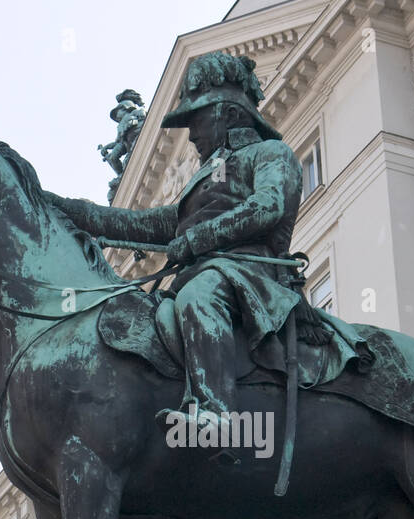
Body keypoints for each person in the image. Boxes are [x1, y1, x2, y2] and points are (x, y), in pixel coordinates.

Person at [45, 52, 305, 431]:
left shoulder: (269, 153)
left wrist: (198, 239)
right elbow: (143, 223)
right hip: (211, 273)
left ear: (230, 114)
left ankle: (218, 416)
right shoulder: (204, 181)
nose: (192, 134)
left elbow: (268, 205)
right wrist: (61, 206)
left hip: (253, 275)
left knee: (197, 299)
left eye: (197, 120)